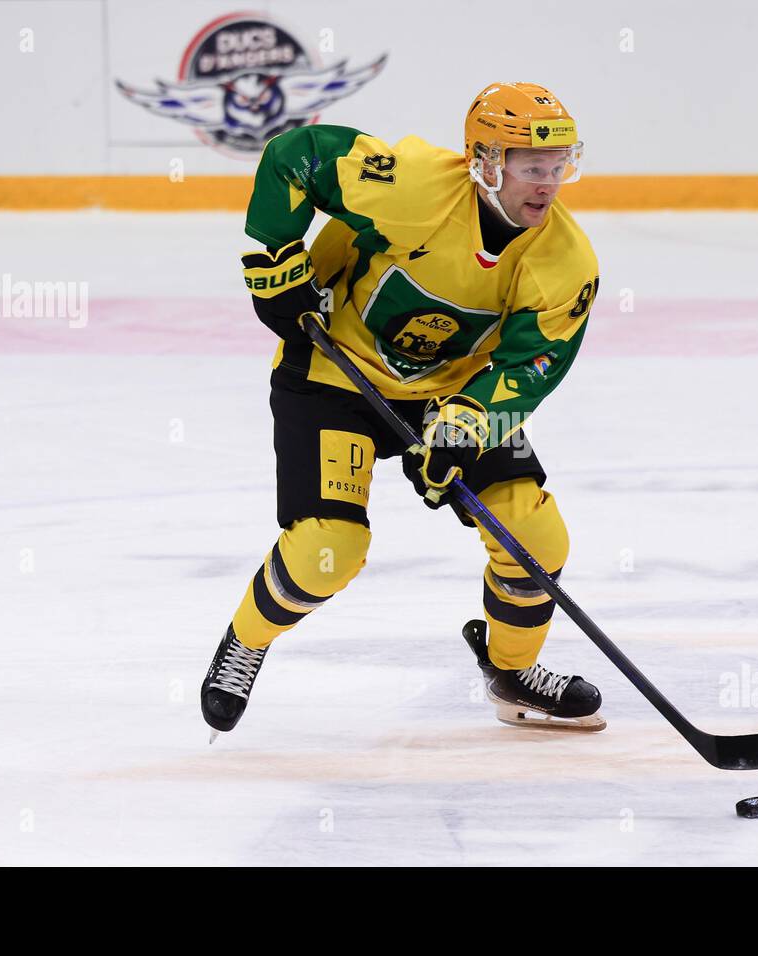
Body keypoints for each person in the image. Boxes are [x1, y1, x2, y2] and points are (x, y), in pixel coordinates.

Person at [200, 81, 603, 738]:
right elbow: (294, 157)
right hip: (337, 375)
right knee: (329, 549)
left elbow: (535, 363)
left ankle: (513, 670)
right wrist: (274, 263)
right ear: (487, 162)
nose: (549, 183)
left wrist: (465, 427)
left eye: (559, 166)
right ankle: (246, 642)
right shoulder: (412, 185)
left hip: (450, 392)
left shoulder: (564, 260)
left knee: (536, 537)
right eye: (533, 167)